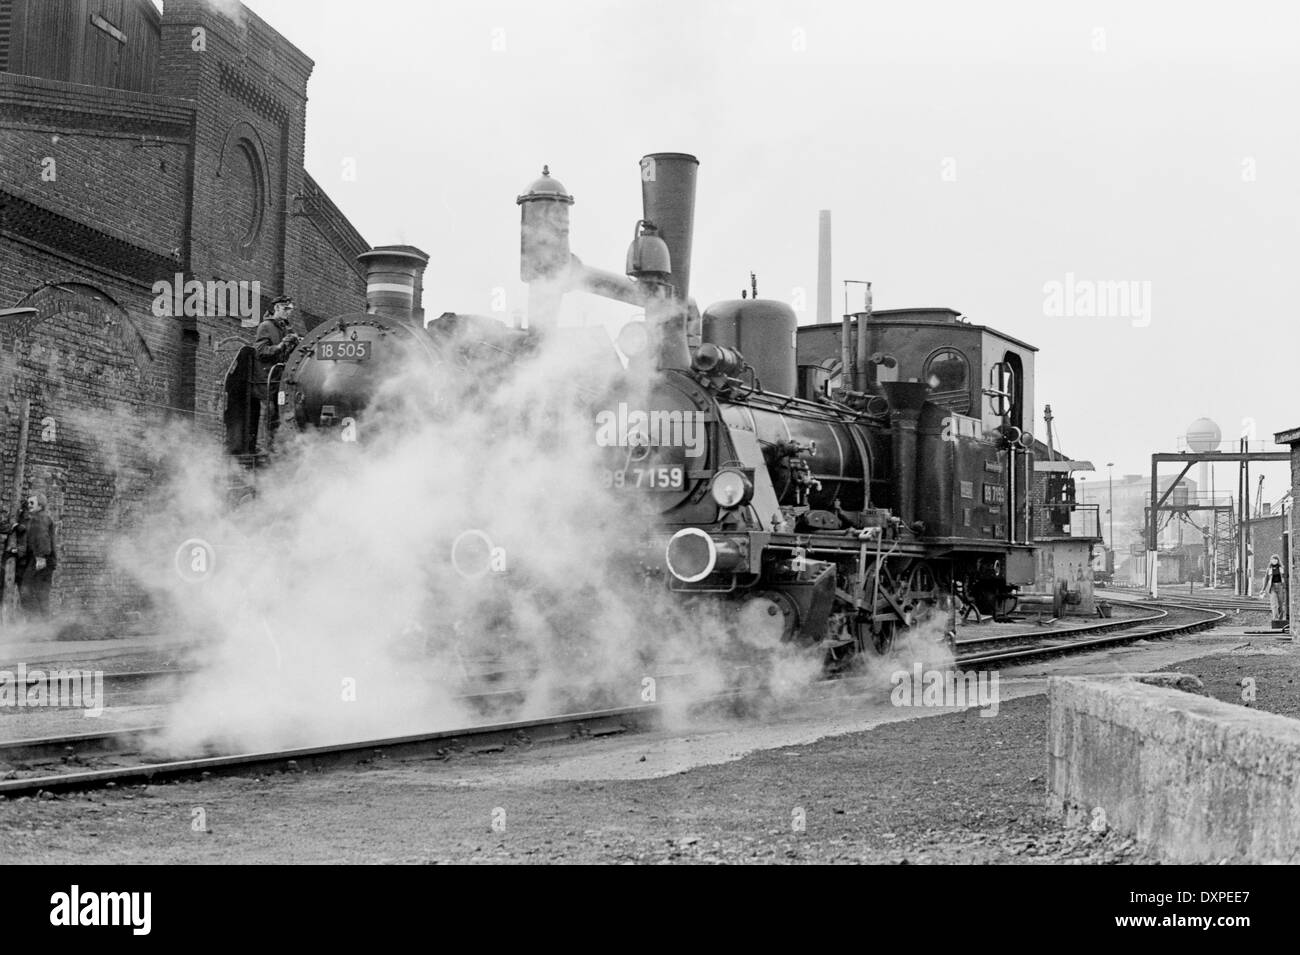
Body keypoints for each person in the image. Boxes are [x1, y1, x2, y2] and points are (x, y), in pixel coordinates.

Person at [251, 296, 300, 453]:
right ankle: (266, 448)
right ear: (277, 308)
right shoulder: (266, 326)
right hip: (268, 379)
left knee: (284, 413)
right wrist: (281, 346)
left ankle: (280, 447)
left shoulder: (286, 328)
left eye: (290, 310)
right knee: (271, 412)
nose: (288, 313)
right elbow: (260, 352)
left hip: (282, 378)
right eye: (286, 309)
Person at [19, 492, 56, 618]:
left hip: (40, 561)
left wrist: (40, 558)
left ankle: (35, 627)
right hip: (45, 562)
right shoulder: (41, 517)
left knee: (26, 591)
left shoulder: (39, 518)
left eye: (32, 503)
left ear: (40, 505)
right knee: (42, 596)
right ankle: (43, 630)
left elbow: (42, 538)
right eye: (28, 502)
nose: (28, 505)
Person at [1258, 554, 1286, 621]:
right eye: (1273, 559)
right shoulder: (1269, 569)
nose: (1274, 561)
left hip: (1280, 587)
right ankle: (1275, 619)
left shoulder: (1281, 568)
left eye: (1275, 559)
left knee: (1281, 604)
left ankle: (1280, 618)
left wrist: (1286, 587)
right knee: (1274, 604)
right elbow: (1266, 579)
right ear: (1271, 561)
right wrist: (1263, 589)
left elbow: (1285, 577)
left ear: (1278, 560)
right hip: (1272, 587)